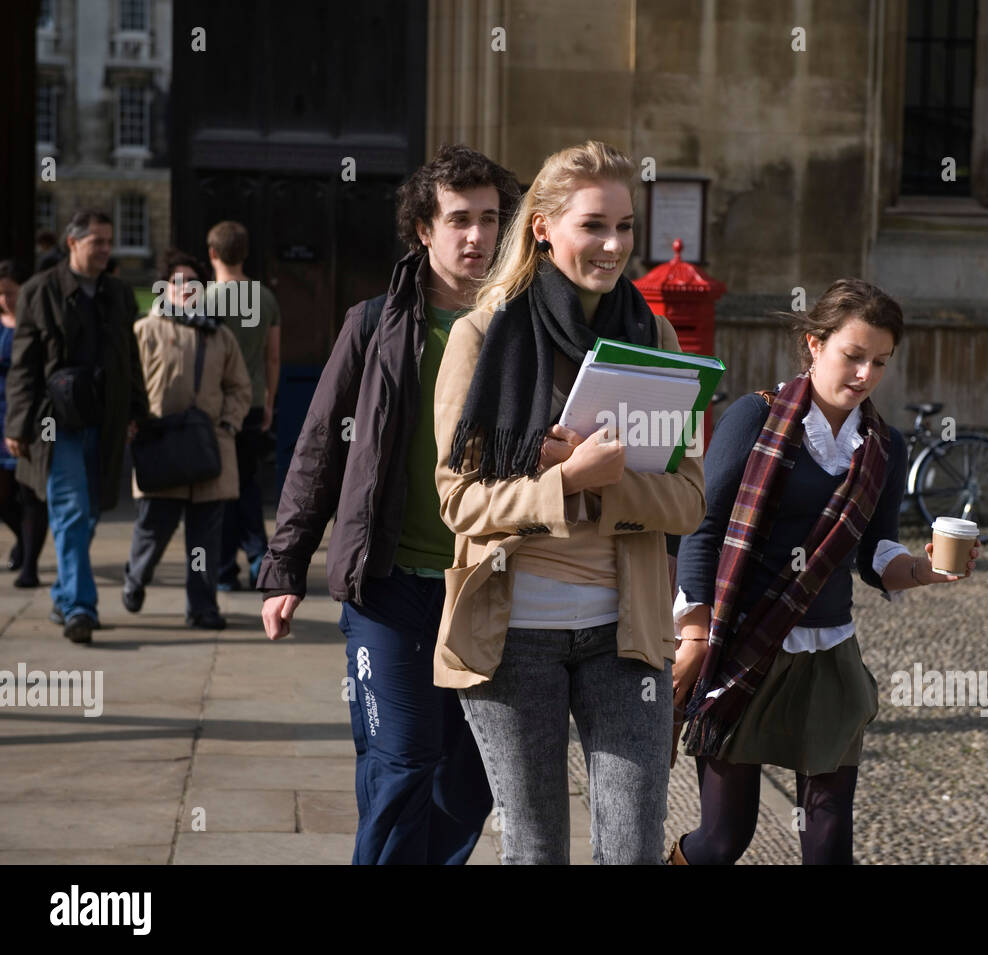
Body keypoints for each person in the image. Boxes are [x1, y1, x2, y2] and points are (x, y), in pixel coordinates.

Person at [433, 140, 707, 865]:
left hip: (627, 634)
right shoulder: (480, 338)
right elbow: (459, 502)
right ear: (544, 227)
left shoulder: (656, 338)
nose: (613, 244)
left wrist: (606, 477)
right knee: (536, 848)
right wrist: (567, 480)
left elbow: (687, 501)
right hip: (510, 633)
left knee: (632, 849)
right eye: (593, 225)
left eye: (624, 227)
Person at [258, 144, 518, 865]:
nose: (476, 237)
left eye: (490, 220)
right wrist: (285, 567)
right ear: (423, 230)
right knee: (404, 760)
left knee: (469, 782)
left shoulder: (522, 330)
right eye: (459, 219)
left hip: (487, 589)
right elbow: (319, 449)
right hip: (390, 586)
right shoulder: (374, 325)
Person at [668, 279, 981, 865]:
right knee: (724, 840)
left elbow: (876, 557)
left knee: (831, 834)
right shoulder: (752, 417)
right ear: (814, 344)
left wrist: (922, 570)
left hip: (831, 652)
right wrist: (692, 632)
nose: (865, 374)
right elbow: (701, 527)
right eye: (853, 356)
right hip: (744, 648)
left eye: (880, 362)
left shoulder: (883, 447)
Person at [4, 210, 149, 644]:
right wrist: (18, 424)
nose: (105, 249)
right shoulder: (39, 291)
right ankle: (81, 609)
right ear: (72, 243)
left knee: (87, 513)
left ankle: (63, 594)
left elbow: (130, 358)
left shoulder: (120, 293)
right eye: (96, 242)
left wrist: (135, 411)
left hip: (104, 420)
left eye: (109, 241)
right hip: (55, 421)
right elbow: (24, 365)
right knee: (68, 509)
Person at [122, 250, 251, 629]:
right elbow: (130, 384)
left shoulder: (220, 334)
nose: (188, 289)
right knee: (153, 529)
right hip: (162, 446)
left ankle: (202, 607)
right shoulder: (145, 330)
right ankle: (136, 577)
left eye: (195, 282)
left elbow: (239, 387)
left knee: (203, 539)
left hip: (209, 450)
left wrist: (227, 425)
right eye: (180, 282)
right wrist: (133, 422)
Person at [207, 220, 281, 592]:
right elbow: (272, 358)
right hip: (251, 402)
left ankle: (223, 570)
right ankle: (257, 558)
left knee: (219, 489)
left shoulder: (204, 299)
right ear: (246, 253)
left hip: (215, 408)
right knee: (249, 483)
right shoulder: (264, 298)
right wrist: (268, 400)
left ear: (212, 254)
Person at [0, 260, 48, 588]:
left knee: (31, 492)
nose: (5, 300)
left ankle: (30, 564)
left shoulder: (37, 322)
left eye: (11, 293)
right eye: (0, 294)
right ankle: (22, 538)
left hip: (30, 415)